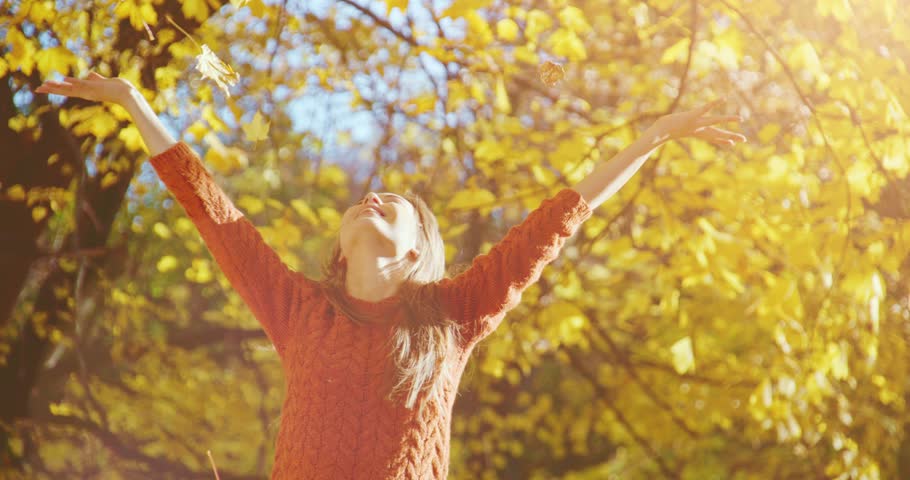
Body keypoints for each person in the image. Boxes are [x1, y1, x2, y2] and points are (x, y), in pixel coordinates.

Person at [36, 72, 746, 479]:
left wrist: (653, 138)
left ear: (415, 252)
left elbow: (563, 216)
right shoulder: (299, 311)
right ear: (341, 252)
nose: (371, 197)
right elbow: (212, 212)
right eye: (363, 200)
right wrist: (135, 103)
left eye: (395, 205)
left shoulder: (453, 315)